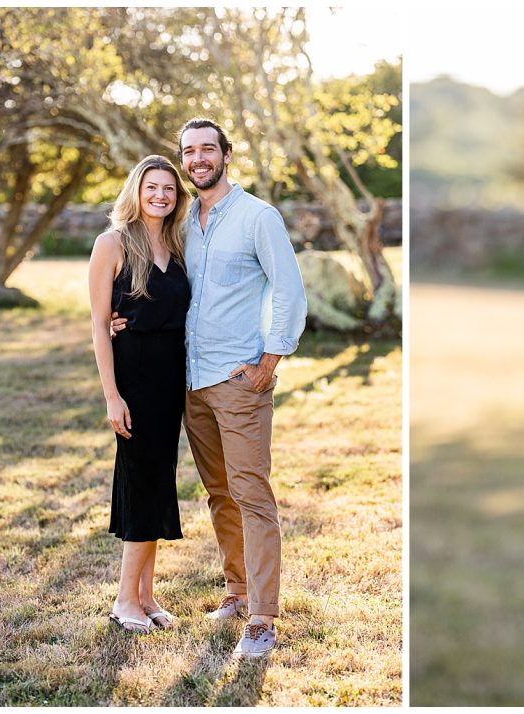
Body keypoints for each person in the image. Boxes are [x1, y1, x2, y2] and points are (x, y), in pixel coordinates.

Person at [116, 118, 307, 657]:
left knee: (252, 495)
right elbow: (158, 287)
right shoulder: (182, 224)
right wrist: (117, 318)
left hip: (238, 379)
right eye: (189, 152)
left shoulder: (257, 217)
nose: (198, 159)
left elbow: (289, 291)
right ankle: (237, 589)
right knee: (220, 493)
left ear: (226, 154)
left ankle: (264, 619)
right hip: (191, 383)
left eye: (207, 149)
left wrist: (268, 362)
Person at [87, 155, 192, 634]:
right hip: (134, 377)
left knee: (156, 480)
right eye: (152, 186)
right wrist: (112, 394)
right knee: (140, 481)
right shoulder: (112, 243)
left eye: (169, 188)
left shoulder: (178, 242)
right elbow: (98, 325)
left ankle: (146, 596)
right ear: (137, 189)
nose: (161, 195)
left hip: (171, 377)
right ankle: (124, 599)